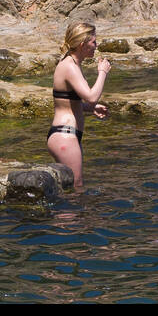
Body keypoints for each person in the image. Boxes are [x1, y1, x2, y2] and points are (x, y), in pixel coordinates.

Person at [47, 22, 110, 190]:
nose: (96, 46)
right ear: (83, 44)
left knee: (69, 189)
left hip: (65, 134)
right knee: (76, 188)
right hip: (65, 136)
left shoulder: (71, 63)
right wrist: (102, 72)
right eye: (93, 42)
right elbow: (91, 96)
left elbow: (66, 102)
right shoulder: (69, 66)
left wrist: (90, 109)